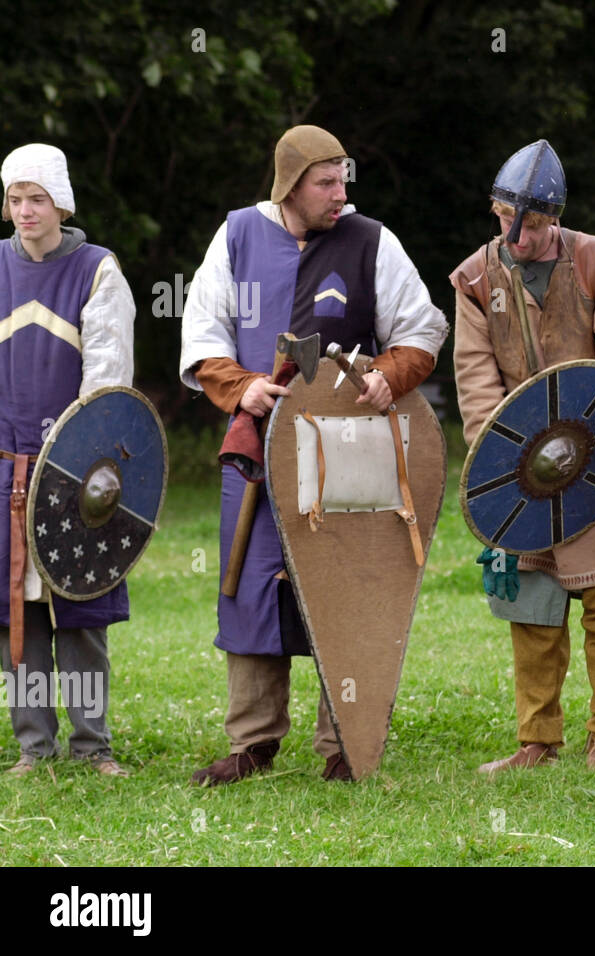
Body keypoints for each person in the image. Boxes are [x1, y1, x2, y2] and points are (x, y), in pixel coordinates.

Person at [179, 125, 446, 784]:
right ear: (290, 185)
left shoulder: (369, 240)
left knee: (345, 587)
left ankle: (345, 745)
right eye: (326, 182)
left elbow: (421, 327)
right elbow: (203, 329)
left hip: (345, 451)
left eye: (343, 179)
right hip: (261, 447)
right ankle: (252, 741)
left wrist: (390, 373)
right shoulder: (238, 236)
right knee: (249, 587)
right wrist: (243, 386)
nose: (340, 192)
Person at [450, 140, 595, 773]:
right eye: (506, 217)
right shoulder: (476, 279)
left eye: (532, 223)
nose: (517, 235)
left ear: (554, 219)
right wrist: (501, 460)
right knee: (530, 602)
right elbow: (477, 382)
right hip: (521, 472)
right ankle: (536, 739)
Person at [0, 144, 135, 777]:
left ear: (61, 203)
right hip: (4, 469)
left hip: (74, 470)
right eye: (16, 199)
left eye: (37, 199)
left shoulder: (96, 269)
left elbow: (108, 377)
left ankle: (92, 746)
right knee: (16, 616)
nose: (25, 211)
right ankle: (34, 746)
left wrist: (81, 458)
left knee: (79, 613)